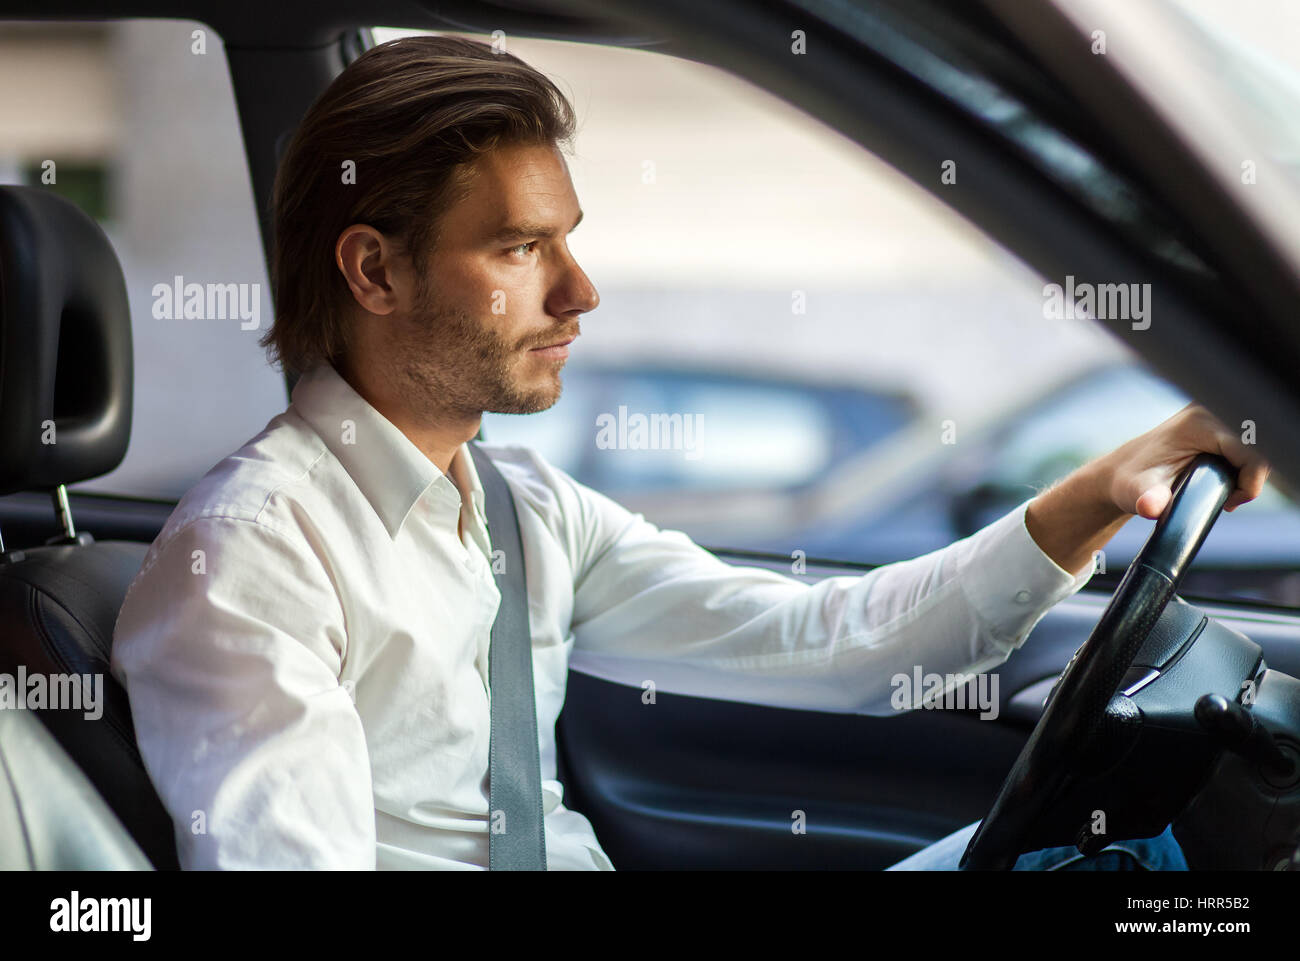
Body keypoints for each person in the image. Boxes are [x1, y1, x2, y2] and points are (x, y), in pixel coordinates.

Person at [110, 35, 1269, 870]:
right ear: (374, 272)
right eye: (522, 247)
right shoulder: (255, 554)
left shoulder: (522, 510)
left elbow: (834, 642)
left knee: (1123, 861)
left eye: (569, 241)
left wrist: (1095, 497)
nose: (580, 291)